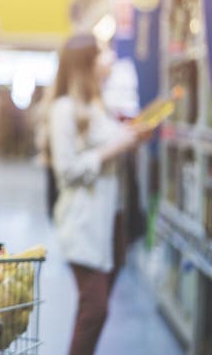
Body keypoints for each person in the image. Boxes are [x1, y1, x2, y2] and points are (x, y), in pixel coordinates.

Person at [44, 33, 151, 355]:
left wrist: (131, 138)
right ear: (86, 62)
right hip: (84, 221)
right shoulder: (64, 109)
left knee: (97, 307)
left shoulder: (97, 104)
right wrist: (114, 147)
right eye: (103, 52)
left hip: (113, 219)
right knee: (96, 308)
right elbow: (67, 170)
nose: (110, 58)